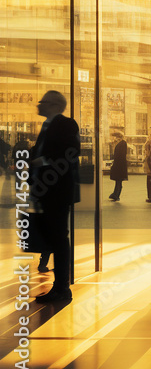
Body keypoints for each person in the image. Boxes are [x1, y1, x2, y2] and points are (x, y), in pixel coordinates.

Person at [30, 90, 80, 303]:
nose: (39, 105)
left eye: (43, 102)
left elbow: (70, 151)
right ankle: (59, 286)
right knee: (55, 236)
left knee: (59, 238)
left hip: (57, 190)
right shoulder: (48, 125)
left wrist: (40, 162)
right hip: (47, 190)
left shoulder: (66, 124)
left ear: (53, 105)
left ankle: (62, 288)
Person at [109, 131, 128, 201]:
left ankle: (116, 194)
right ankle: (115, 194)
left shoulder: (122, 143)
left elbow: (121, 155)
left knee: (119, 180)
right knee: (118, 180)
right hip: (119, 165)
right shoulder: (121, 143)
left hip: (120, 165)